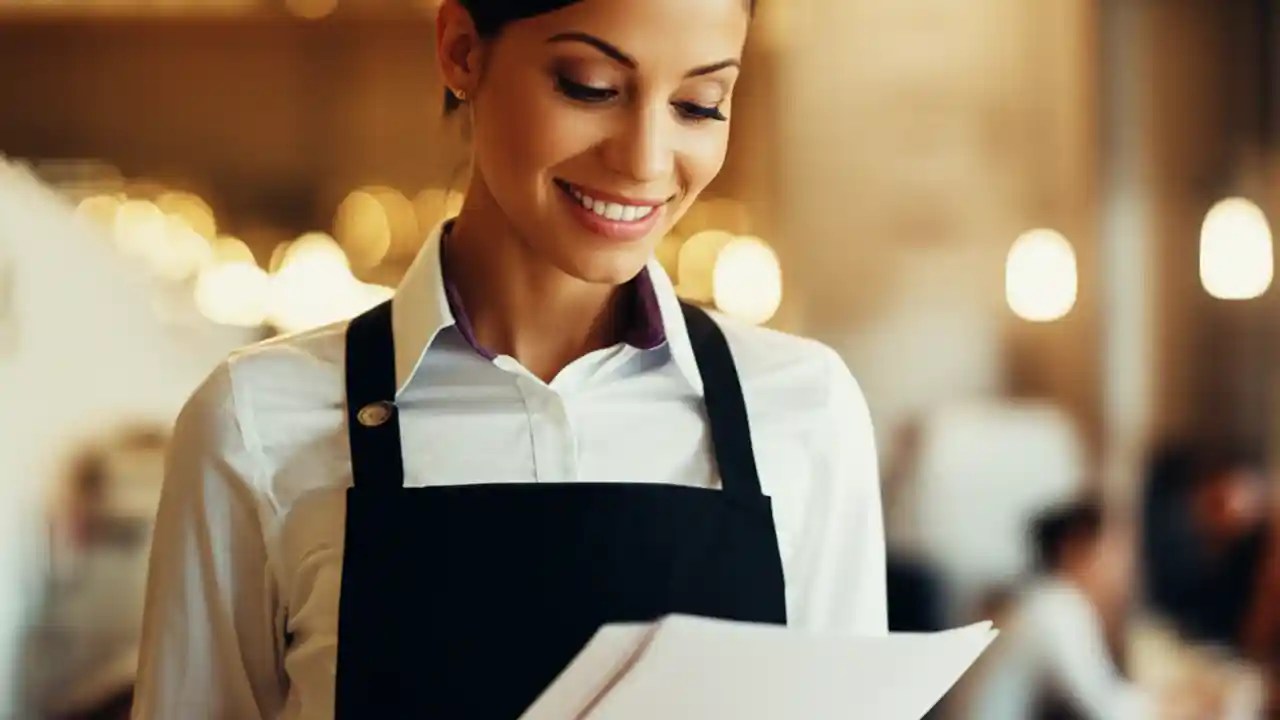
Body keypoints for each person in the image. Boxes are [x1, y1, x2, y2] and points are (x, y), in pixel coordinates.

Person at [131, 1, 887, 718]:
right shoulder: (254, 422)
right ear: (461, 49)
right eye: (590, 88)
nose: (646, 161)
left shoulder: (800, 408)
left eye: (699, 104)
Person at [957, 499, 1152, 720]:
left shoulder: (1044, 600)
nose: (1125, 568)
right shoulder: (1058, 607)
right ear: (1074, 550)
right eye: (1114, 551)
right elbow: (1108, 708)